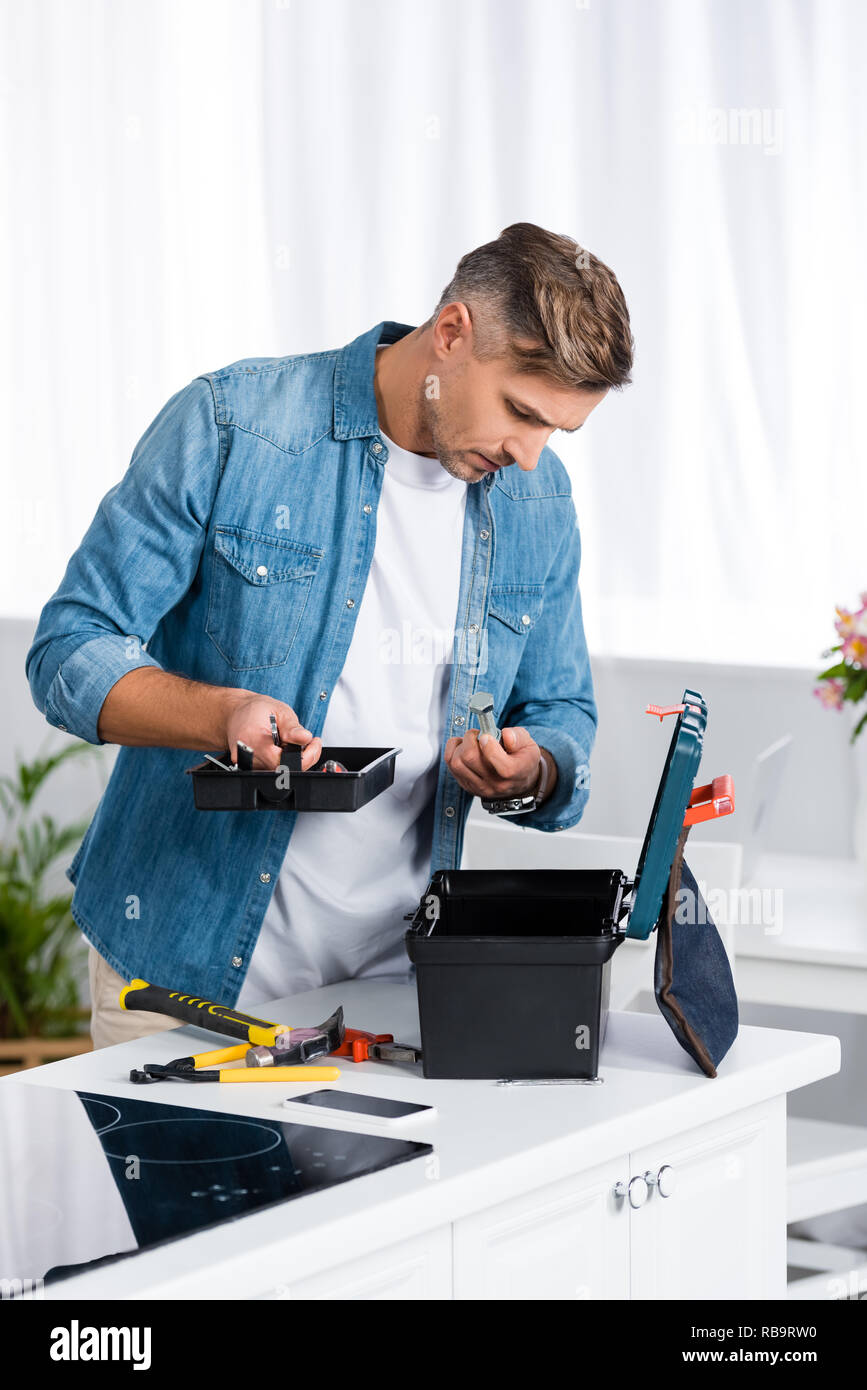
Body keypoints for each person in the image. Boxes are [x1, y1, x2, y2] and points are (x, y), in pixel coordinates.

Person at [26, 222, 633, 1048]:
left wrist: (534, 768)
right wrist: (221, 715)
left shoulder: (539, 501)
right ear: (451, 334)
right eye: (520, 413)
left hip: (394, 991)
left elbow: (562, 707)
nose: (529, 456)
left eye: (555, 432)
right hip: (183, 974)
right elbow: (70, 646)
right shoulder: (233, 423)